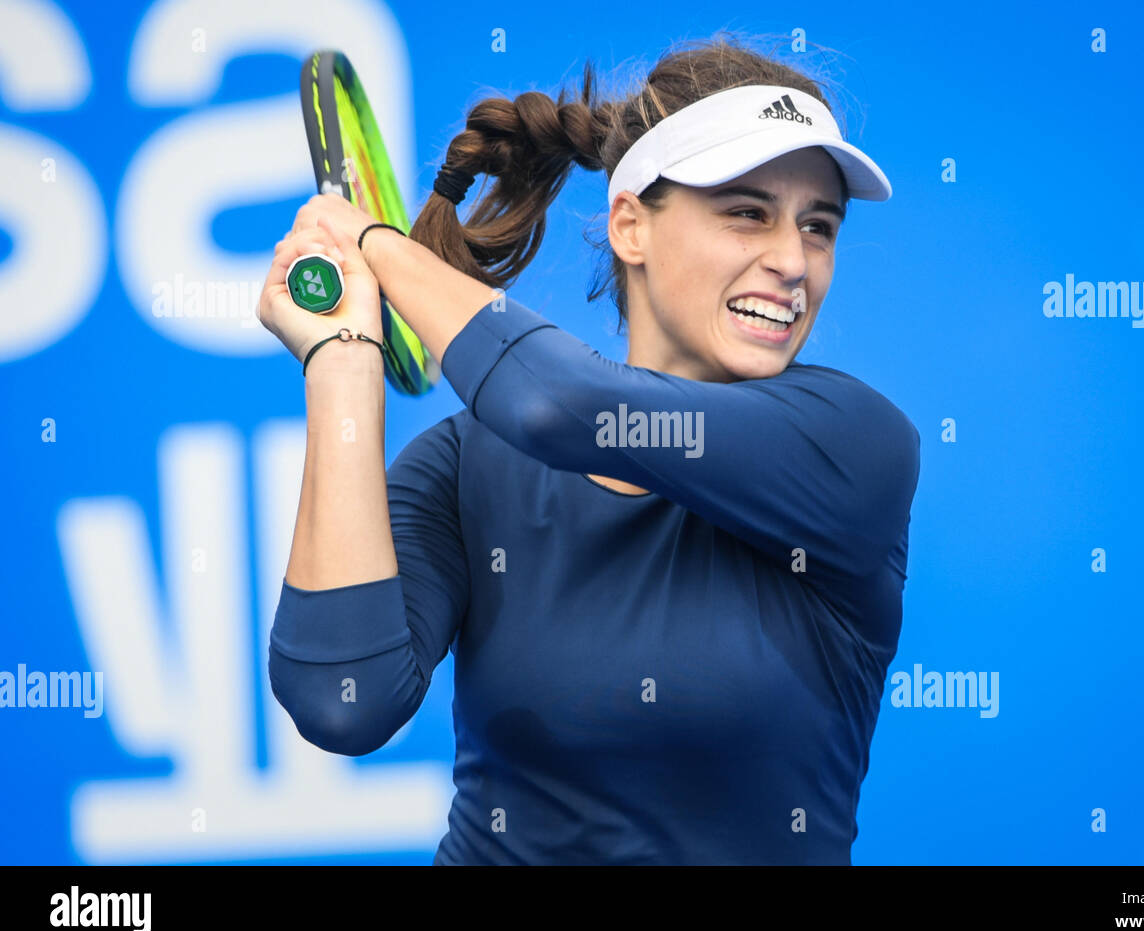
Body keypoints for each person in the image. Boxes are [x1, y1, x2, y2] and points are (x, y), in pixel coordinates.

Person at [257, 34, 921, 865]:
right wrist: (342, 358)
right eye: (747, 212)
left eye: (818, 226)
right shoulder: (467, 461)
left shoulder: (853, 443)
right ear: (630, 225)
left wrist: (377, 247)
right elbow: (342, 701)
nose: (792, 261)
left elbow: (563, 405)